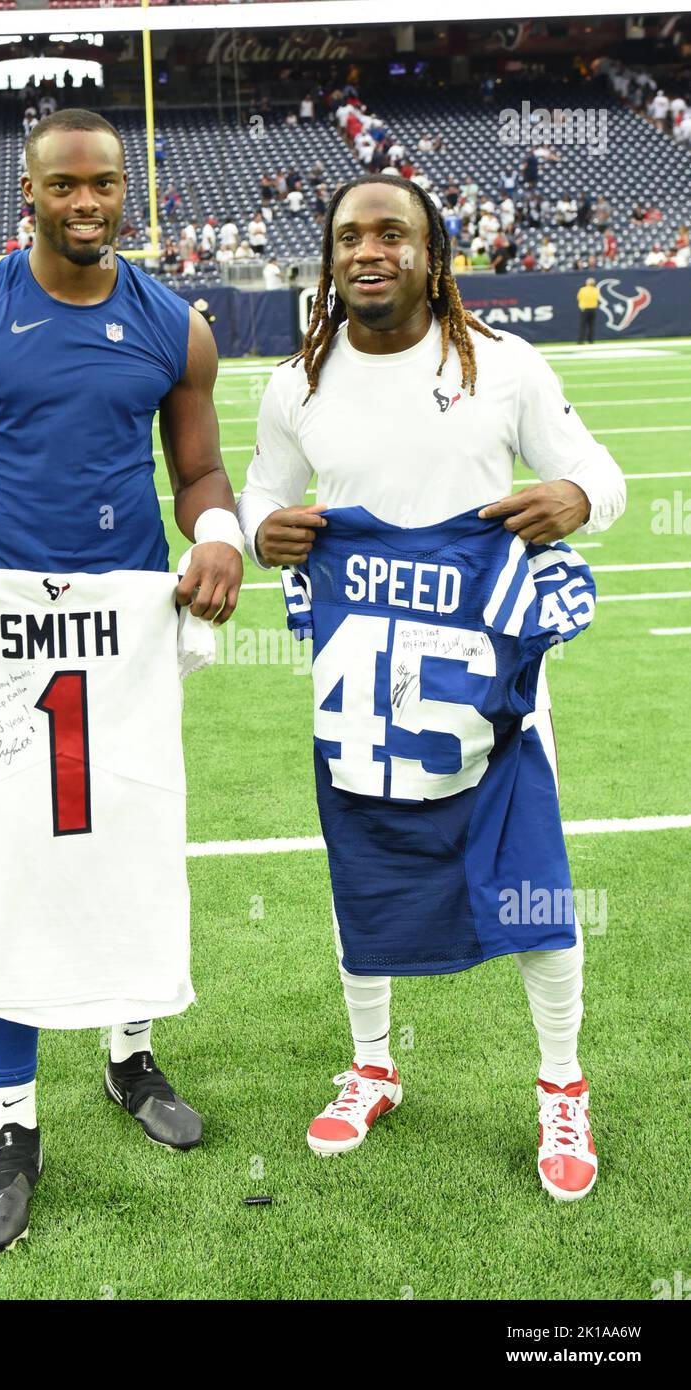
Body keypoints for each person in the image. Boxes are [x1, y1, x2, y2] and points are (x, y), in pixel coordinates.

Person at [0, 108, 243, 1253]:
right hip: (7, 635)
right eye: (65, 186)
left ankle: (129, 1060)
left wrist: (219, 531)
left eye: (107, 185)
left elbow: (196, 465)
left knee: (128, 849)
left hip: (124, 634)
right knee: (10, 869)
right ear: (26, 193)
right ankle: (12, 1124)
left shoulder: (170, 324)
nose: (89, 203)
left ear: (128, 191)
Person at [236, 173, 625, 1201]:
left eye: (391, 234)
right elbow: (261, 494)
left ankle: (559, 1084)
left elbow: (605, 477)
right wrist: (257, 530)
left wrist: (574, 493)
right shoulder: (296, 382)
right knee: (358, 873)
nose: (369, 250)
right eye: (349, 236)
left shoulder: (501, 367)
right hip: (361, 688)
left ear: (432, 252)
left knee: (536, 890)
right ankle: (371, 1064)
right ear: (328, 258)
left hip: (485, 690)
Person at [576, 276, 599, 342]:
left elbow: (578, 298)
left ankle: (581, 340)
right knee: (591, 326)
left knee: (583, 326)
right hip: (593, 309)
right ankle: (591, 340)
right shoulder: (596, 290)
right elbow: (597, 298)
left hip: (584, 309)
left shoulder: (583, 289)